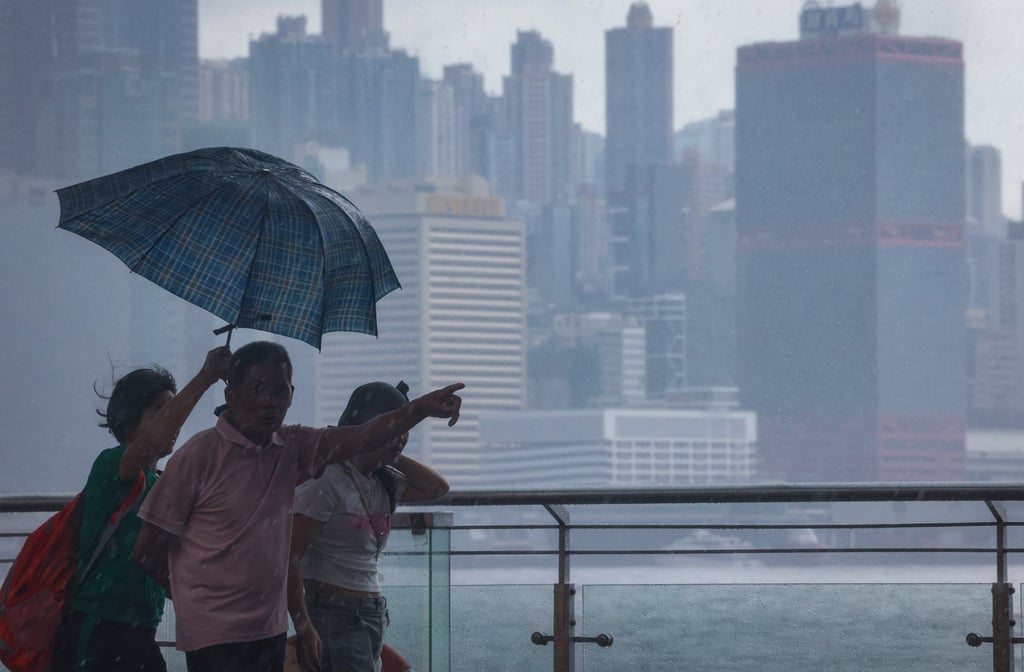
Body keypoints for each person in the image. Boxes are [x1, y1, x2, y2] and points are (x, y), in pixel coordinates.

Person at [131, 341, 463, 672]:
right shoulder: (197, 455)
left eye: (279, 390)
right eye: (257, 388)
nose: (270, 401)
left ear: (292, 394)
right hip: (213, 635)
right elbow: (147, 550)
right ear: (231, 396)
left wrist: (419, 409)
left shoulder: (292, 445)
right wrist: (197, 600)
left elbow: (362, 436)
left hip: (269, 629)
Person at [51, 346, 231, 672]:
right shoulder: (112, 467)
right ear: (130, 419)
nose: (174, 422)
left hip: (139, 628)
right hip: (97, 627)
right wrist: (206, 376)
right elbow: (150, 444)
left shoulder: (159, 483)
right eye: (162, 412)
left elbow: (160, 562)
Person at [287, 381, 450, 672]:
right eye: (392, 428)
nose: (401, 438)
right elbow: (289, 559)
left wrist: (390, 450)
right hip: (333, 612)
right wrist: (304, 625)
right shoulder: (327, 480)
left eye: (405, 431)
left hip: (372, 612)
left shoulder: (381, 480)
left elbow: (436, 487)